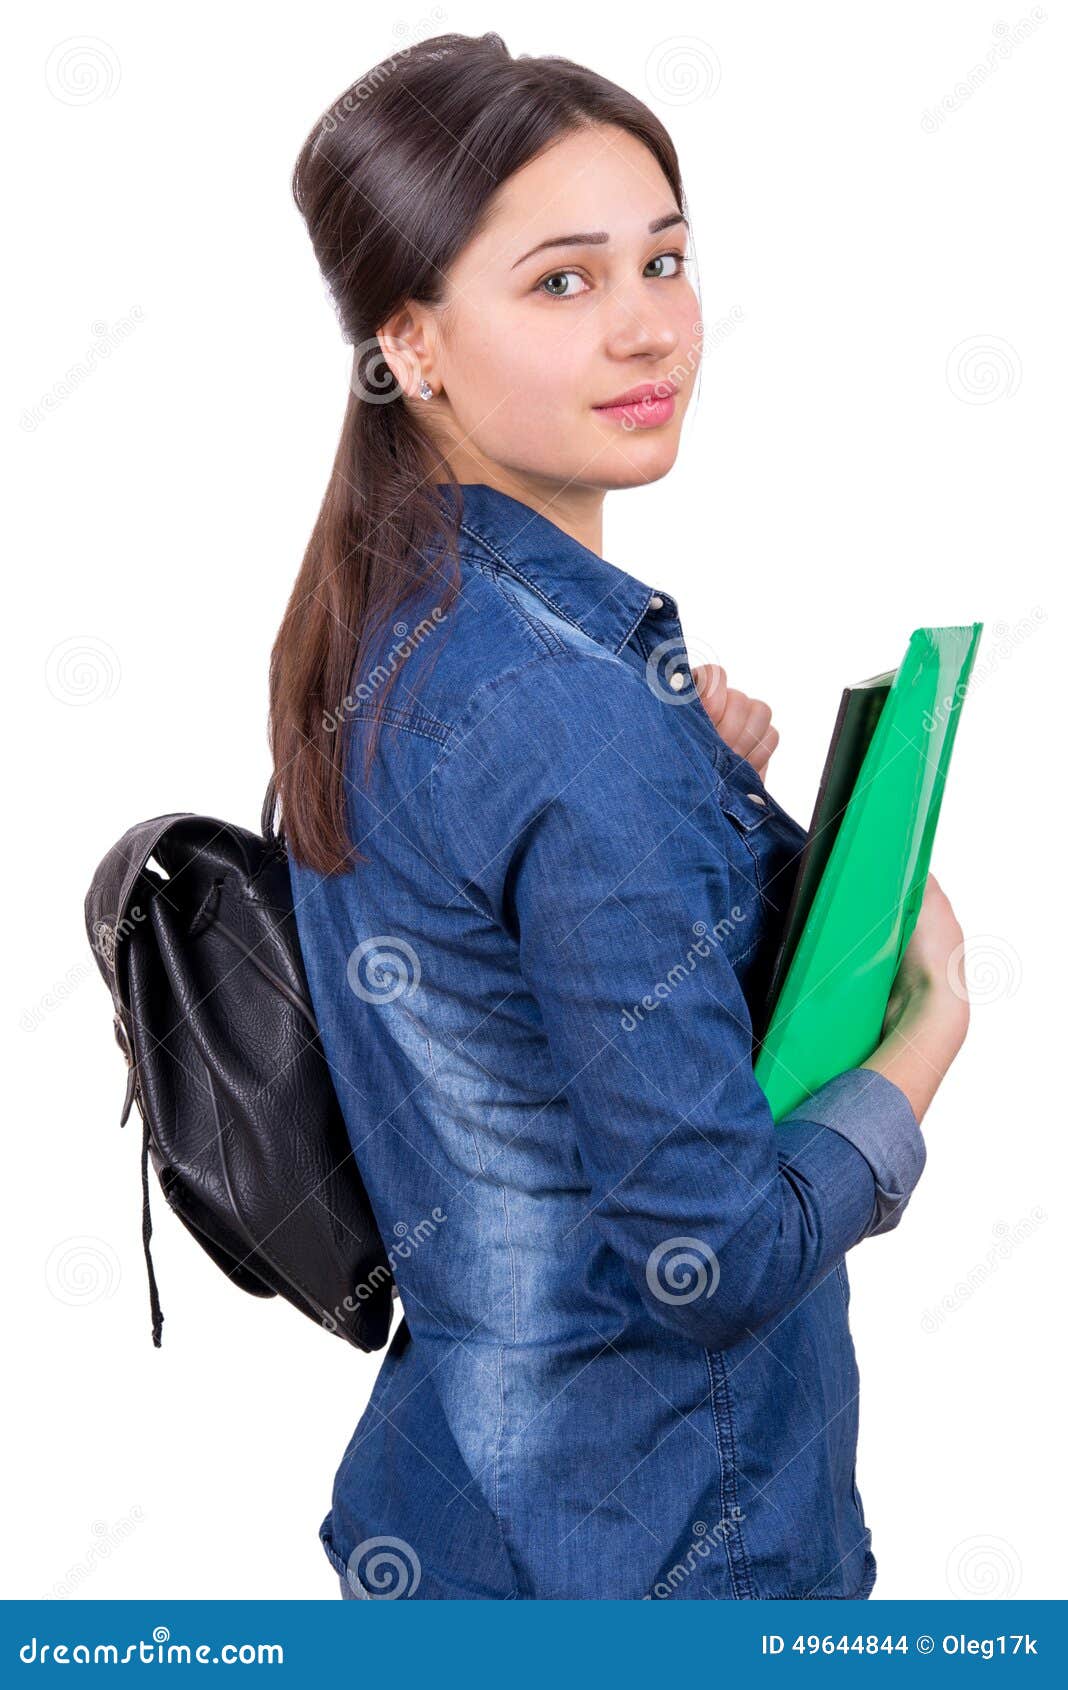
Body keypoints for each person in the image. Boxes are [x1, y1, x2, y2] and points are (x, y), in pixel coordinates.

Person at [269, 32, 970, 1601]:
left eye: (664, 256)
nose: (650, 325)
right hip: (662, 1555)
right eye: (563, 282)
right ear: (416, 343)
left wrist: (702, 801)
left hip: (451, 1516)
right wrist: (925, 1045)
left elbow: (522, 1040)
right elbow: (708, 1256)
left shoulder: (384, 639)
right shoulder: (577, 716)